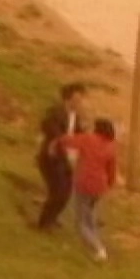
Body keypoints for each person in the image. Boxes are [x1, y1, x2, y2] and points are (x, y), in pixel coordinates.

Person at [58, 118, 119, 261]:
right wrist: (109, 185)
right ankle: (96, 241)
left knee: (80, 223)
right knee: (90, 215)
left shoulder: (88, 139)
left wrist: (57, 140)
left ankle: (98, 249)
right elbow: (112, 172)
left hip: (84, 184)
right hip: (100, 187)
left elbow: (70, 141)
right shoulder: (111, 147)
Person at [34, 83, 87, 230]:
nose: (80, 102)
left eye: (82, 98)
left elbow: (78, 134)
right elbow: (49, 128)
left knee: (66, 191)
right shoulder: (55, 112)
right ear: (68, 98)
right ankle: (44, 223)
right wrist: (63, 140)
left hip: (65, 159)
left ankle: (52, 218)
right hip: (52, 157)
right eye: (78, 98)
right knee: (58, 191)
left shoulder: (74, 117)